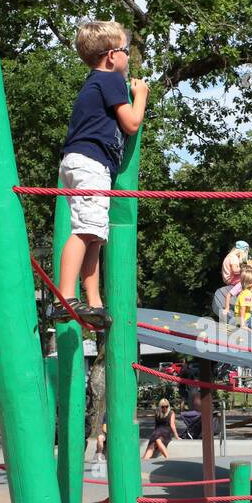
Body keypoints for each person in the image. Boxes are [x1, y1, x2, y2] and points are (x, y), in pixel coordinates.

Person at [50, 20, 149, 329]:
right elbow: (132, 123)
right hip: (90, 163)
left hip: (84, 163)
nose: (128, 57)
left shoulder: (97, 81)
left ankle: (93, 302)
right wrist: (141, 93)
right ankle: (64, 297)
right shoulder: (111, 80)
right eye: (124, 51)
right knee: (84, 231)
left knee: (94, 234)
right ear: (111, 56)